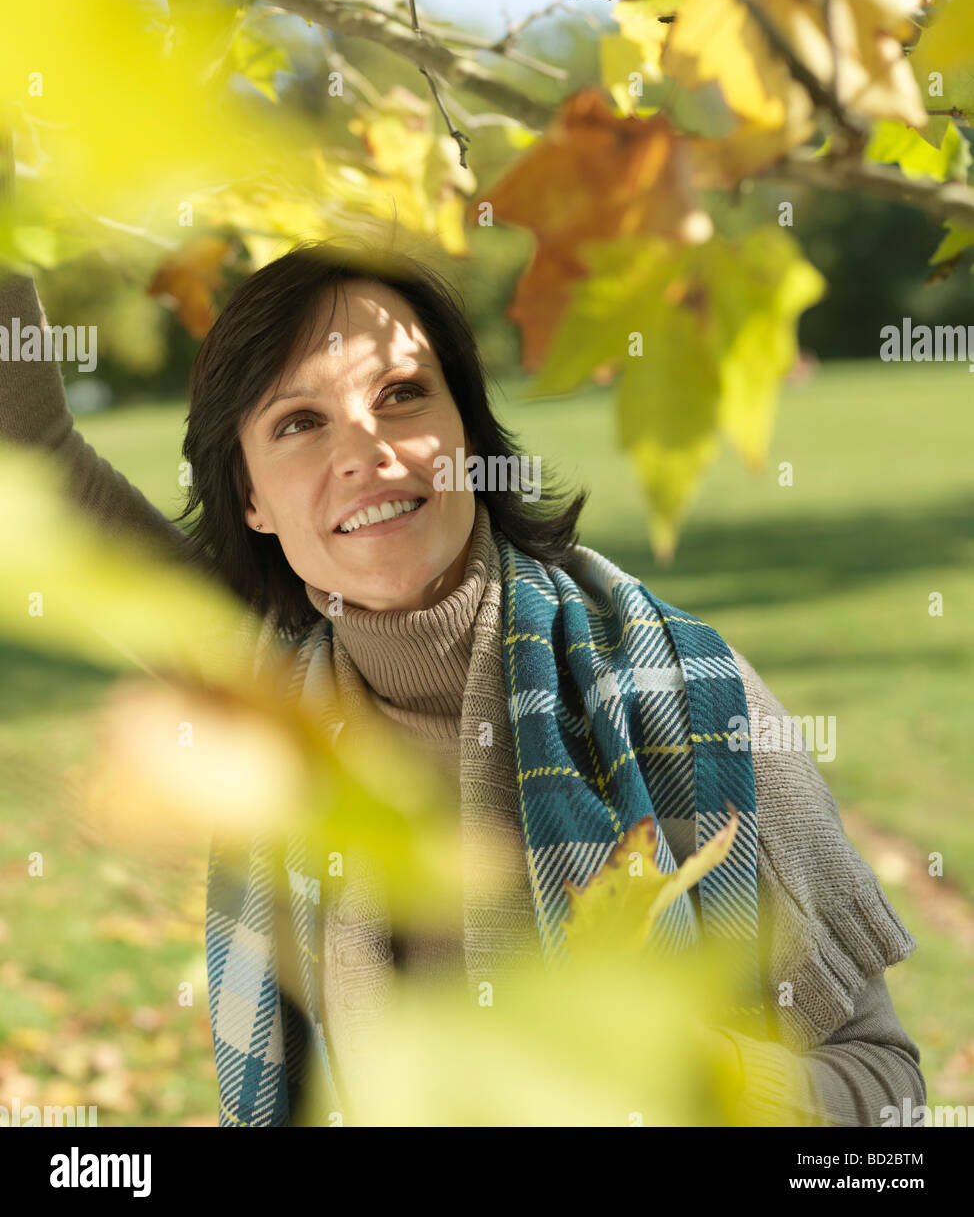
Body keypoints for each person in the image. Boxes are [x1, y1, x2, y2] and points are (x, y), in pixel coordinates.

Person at [0, 240, 926, 1127]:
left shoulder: (680, 695)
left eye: (402, 394)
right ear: (251, 497)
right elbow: (26, 444)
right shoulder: (263, 674)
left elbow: (885, 1093)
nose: (365, 452)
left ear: (467, 434)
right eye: (299, 422)